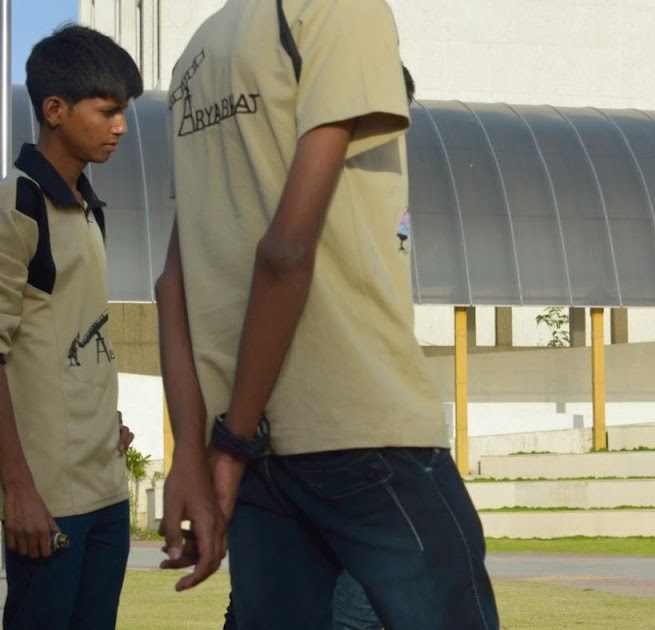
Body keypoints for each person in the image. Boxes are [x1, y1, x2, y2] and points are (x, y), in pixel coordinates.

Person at [155, 1, 499, 628]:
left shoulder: (194, 56)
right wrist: (228, 446)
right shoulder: (339, 8)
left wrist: (195, 452)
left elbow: (174, 281)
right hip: (357, 425)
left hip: (255, 449)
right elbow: (285, 253)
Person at [0, 25, 140, 629]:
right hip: (48, 503)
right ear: (54, 110)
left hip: (106, 492)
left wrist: (104, 418)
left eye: (124, 112)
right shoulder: (17, 206)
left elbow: (69, 341)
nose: (121, 127)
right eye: (107, 111)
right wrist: (19, 491)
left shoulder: (87, 207)